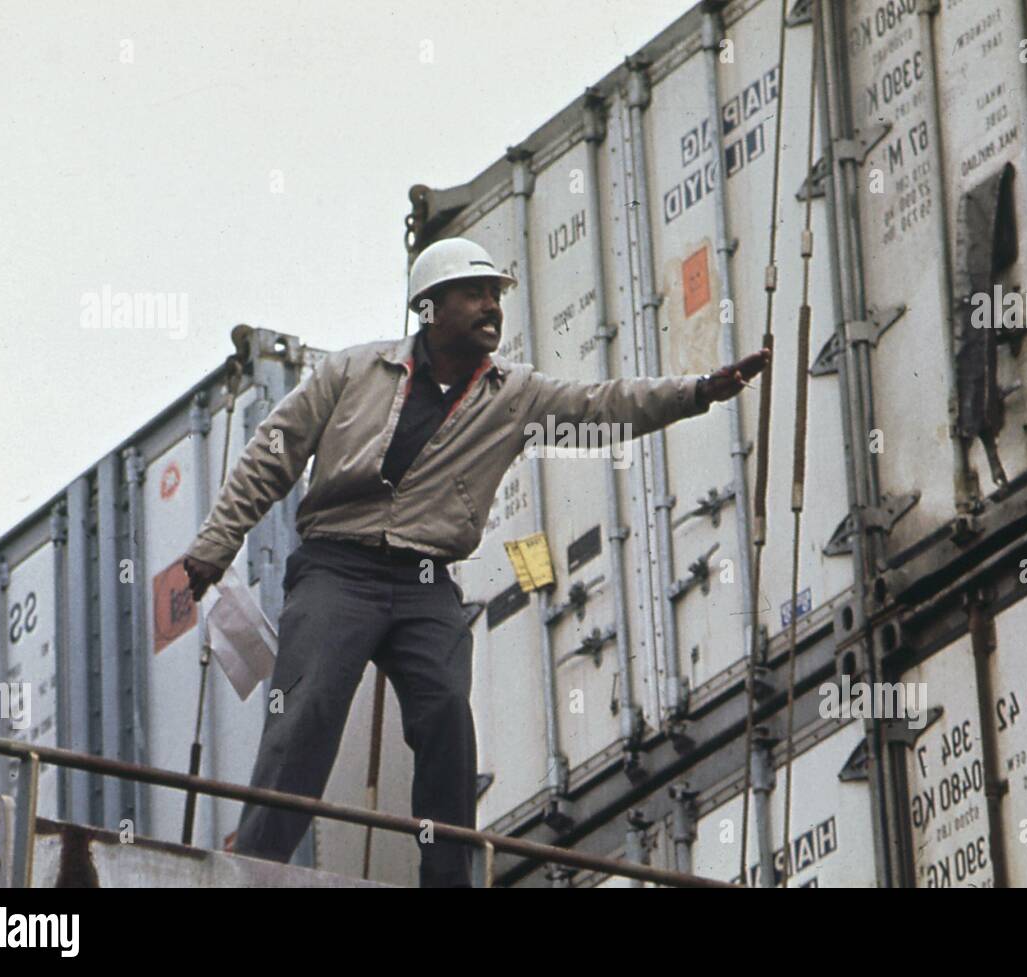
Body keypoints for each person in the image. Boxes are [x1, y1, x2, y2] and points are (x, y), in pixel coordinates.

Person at [182, 237, 769, 886]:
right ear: (428, 308)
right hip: (336, 569)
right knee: (307, 709)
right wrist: (216, 544)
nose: (492, 305)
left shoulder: (514, 398)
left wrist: (697, 391)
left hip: (424, 583)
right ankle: (253, 872)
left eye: (496, 294)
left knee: (446, 721)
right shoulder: (352, 373)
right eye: (475, 293)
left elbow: (603, 409)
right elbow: (274, 453)